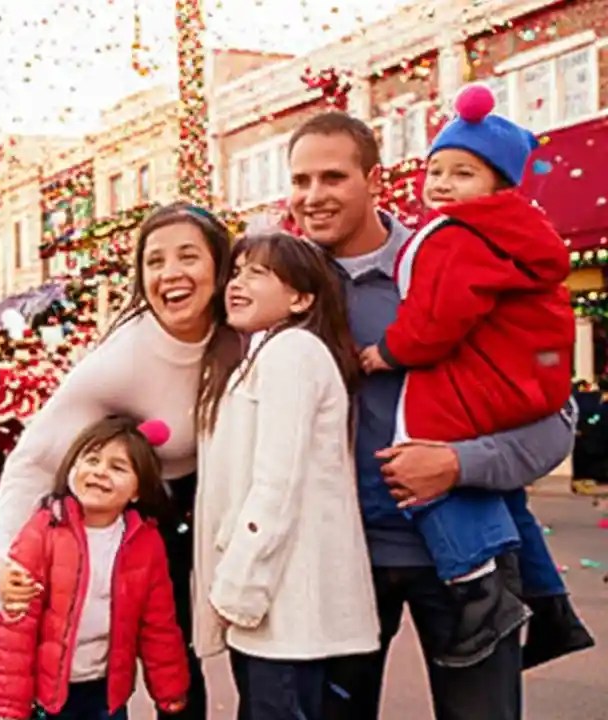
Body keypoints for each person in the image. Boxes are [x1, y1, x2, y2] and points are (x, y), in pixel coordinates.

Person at [285, 111, 576, 720]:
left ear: (374, 178)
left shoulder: (452, 262)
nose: (313, 197)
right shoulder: (281, 289)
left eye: (332, 177)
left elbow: (556, 417)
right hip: (338, 561)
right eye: (300, 180)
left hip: (466, 556)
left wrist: (457, 462)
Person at [358, 84, 592, 670]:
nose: (441, 184)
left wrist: (387, 351)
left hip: (492, 382)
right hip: (530, 384)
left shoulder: (459, 237)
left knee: (427, 457)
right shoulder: (514, 229)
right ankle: (550, 604)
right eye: (436, 169)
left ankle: (479, 590)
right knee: (505, 497)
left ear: (498, 185)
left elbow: (438, 319)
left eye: (463, 172)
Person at [0, 202, 242, 720]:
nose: (170, 274)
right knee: (174, 647)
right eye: (154, 261)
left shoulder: (247, 331)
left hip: (237, 504)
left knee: (259, 649)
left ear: (219, 267)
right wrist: (7, 556)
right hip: (163, 506)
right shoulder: (124, 359)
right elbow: (35, 459)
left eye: (188, 256)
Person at [193, 233, 378, 719]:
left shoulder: (292, 352)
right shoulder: (263, 355)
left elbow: (277, 483)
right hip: (274, 606)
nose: (237, 282)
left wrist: (239, 587)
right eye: (236, 271)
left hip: (281, 604)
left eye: (258, 272)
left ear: (301, 298)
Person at [0, 416, 189, 720]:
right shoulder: (44, 530)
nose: (100, 472)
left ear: (137, 491)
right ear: (72, 470)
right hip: (48, 695)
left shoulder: (145, 544)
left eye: (117, 467)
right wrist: (11, 706)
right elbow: (18, 625)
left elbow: (158, 624)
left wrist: (169, 688)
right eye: (92, 459)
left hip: (105, 694)